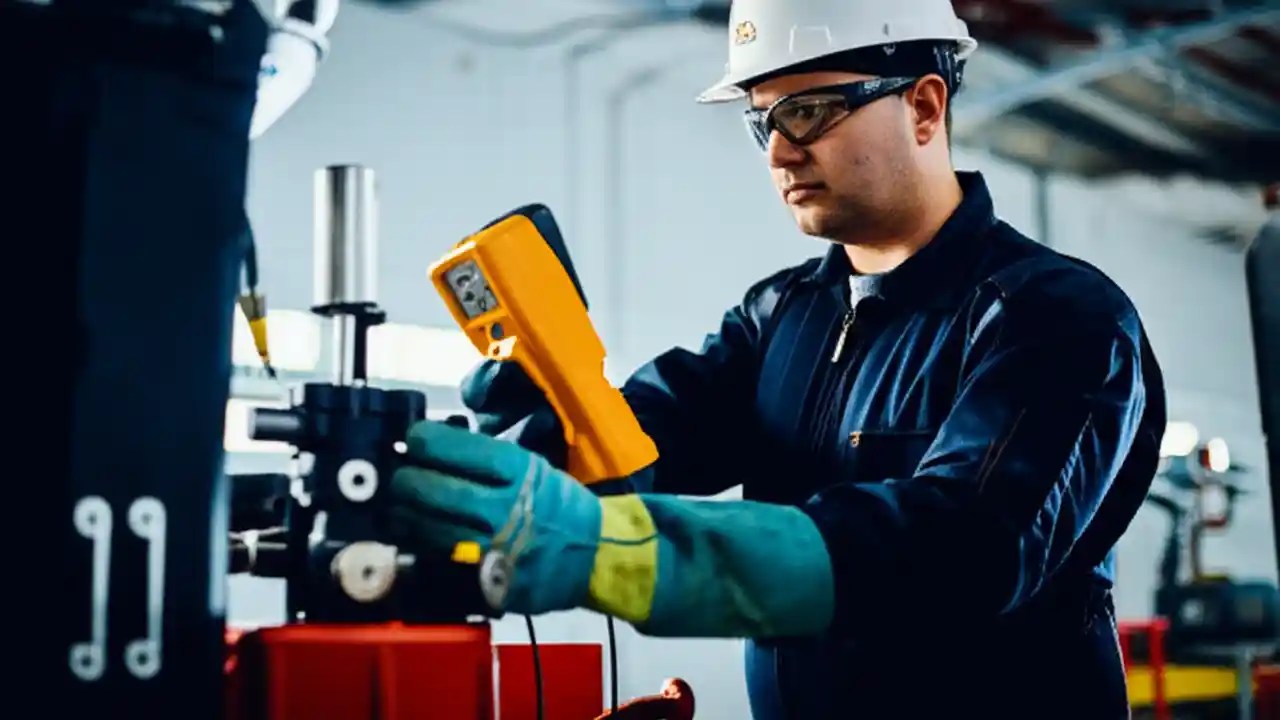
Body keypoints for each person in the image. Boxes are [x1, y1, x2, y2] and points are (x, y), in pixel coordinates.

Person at [387, 0, 1168, 717]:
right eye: (763, 122)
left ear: (924, 106)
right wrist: (559, 440)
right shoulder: (781, 314)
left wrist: (615, 554)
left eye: (811, 112)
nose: (779, 155)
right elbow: (650, 439)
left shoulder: (1056, 317)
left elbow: (963, 549)